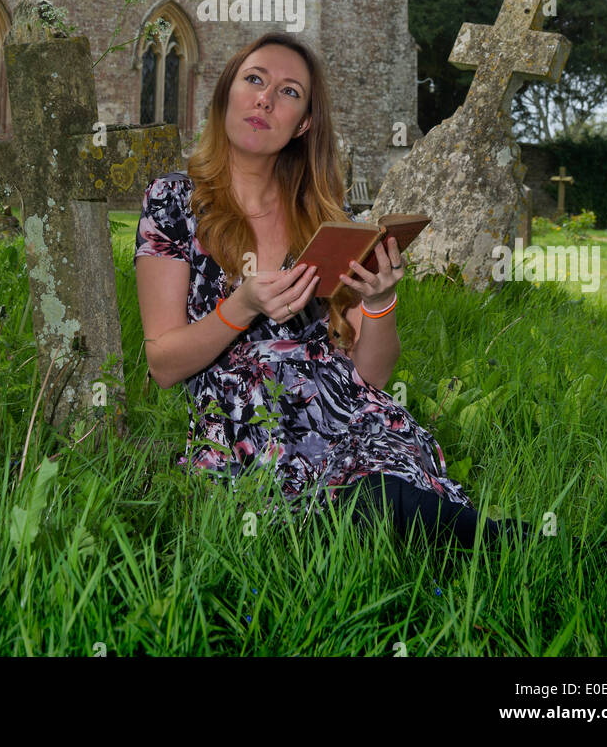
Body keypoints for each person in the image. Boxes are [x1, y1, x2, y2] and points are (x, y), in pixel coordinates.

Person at [134, 31, 530, 550]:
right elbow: (163, 364)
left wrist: (379, 301)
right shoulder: (173, 200)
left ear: (303, 125)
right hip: (249, 415)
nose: (265, 99)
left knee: (388, 477)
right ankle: (462, 537)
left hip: (346, 409)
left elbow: (371, 375)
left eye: (289, 91)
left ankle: (439, 528)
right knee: (344, 503)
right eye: (254, 80)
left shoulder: (327, 222)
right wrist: (242, 307)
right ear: (226, 93)